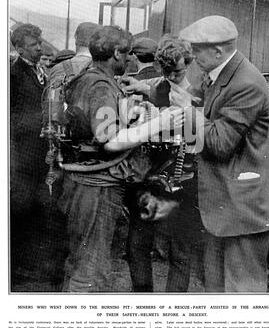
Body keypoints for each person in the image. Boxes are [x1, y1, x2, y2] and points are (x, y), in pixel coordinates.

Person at [58, 25, 184, 292]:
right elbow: (111, 141)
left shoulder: (88, 78)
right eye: (126, 54)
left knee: (82, 263)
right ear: (116, 53)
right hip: (97, 188)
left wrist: (129, 117)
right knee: (90, 272)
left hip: (86, 185)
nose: (129, 60)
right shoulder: (101, 86)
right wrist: (159, 122)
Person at [168, 15, 269, 293]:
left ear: (218, 51)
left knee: (241, 294)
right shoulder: (221, 74)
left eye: (197, 50)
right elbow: (199, 102)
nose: (193, 57)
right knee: (217, 290)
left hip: (244, 209)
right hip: (226, 205)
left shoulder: (246, 83)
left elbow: (220, 143)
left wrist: (186, 112)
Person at [126, 37, 203, 292]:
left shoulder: (201, 92)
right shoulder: (156, 84)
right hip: (151, 171)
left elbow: (204, 134)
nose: (172, 76)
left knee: (180, 252)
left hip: (185, 174)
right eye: (166, 70)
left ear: (189, 65)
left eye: (178, 71)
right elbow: (147, 88)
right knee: (137, 244)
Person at [10, 24, 57, 290]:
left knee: (34, 212)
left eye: (39, 42)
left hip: (39, 156)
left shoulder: (40, 72)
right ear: (19, 48)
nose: (40, 47)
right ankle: (14, 273)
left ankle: (27, 267)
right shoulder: (13, 75)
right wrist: (39, 121)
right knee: (19, 211)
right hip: (22, 157)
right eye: (33, 45)